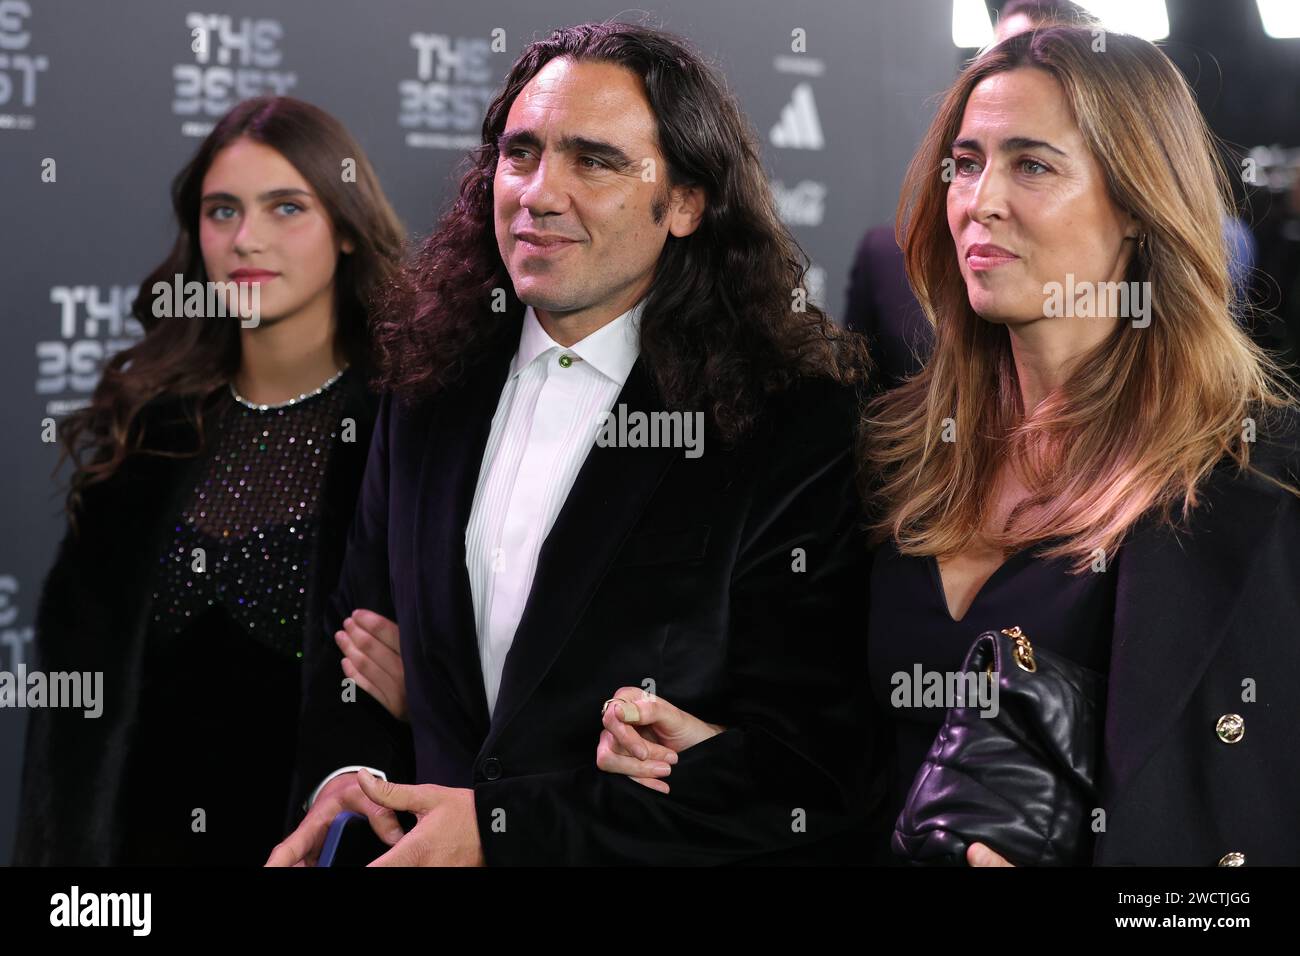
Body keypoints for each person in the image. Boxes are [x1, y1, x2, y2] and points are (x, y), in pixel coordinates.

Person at [597, 27, 1300, 867]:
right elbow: (866, 777)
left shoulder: (1255, 482)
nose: (979, 200)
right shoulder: (892, 454)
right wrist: (711, 758)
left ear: (1139, 208)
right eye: (966, 163)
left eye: (1031, 165)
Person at [268, 20, 879, 867]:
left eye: (593, 160)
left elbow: (805, 772)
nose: (538, 192)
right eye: (520, 154)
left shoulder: (794, 422)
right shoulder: (422, 379)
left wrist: (504, 829)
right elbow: (358, 640)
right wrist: (353, 770)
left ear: (689, 202)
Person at [13, 96, 410, 865]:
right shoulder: (145, 435)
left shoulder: (410, 430)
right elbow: (67, 733)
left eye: (285, 207)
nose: (246, 238)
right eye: (221, 210)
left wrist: (422, 692)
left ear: (349, 227)